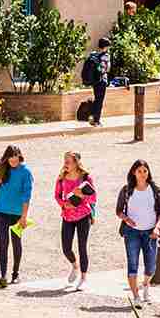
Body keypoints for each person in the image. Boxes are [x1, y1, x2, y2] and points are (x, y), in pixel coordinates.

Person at [115, 160, 160, 308]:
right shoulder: (126, 190)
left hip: (150, 232)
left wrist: (157, 228)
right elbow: (118, 210)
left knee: (151, 266)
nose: (143, 174)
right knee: (132, 264)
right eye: (139, 171)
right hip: (131, 233)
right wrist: (126, 219)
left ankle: (146, 284)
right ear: (134, 173)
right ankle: (136, 296)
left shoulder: (156, 190)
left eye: (145, 171)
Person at [0, 145, 33, 288]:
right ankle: (3, 275)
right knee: (3, 243)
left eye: (15, 156)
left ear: (19, 156)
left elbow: (27, 196)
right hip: (1, 211)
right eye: (10, 156)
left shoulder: (26, 172)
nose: (13, 159)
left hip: (17, 214)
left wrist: (24, 216)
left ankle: (15, 274)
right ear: (7, 157)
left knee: (16, 243)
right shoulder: (2, 169)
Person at [54, 152, 98, 291]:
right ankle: (75, 265)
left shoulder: (86, 177)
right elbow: (56, 195)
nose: (65, 164)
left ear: (76, 163)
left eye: (68, 161)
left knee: (82, 246)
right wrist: (63, 204)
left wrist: (81, 195)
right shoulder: (61, 178)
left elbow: (93, 198)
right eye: (64, 161)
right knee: (66, 247)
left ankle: (84, 278)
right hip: (67, 216)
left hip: (83, 215)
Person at [82, 38, 113, 126]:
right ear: (106, 46)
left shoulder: (93, 54)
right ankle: (96, 120)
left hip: (94, 81)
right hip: (101, 80)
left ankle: (93, 117)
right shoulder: (106, 56)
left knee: (97, 98)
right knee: (99, 101)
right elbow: (107, 69)